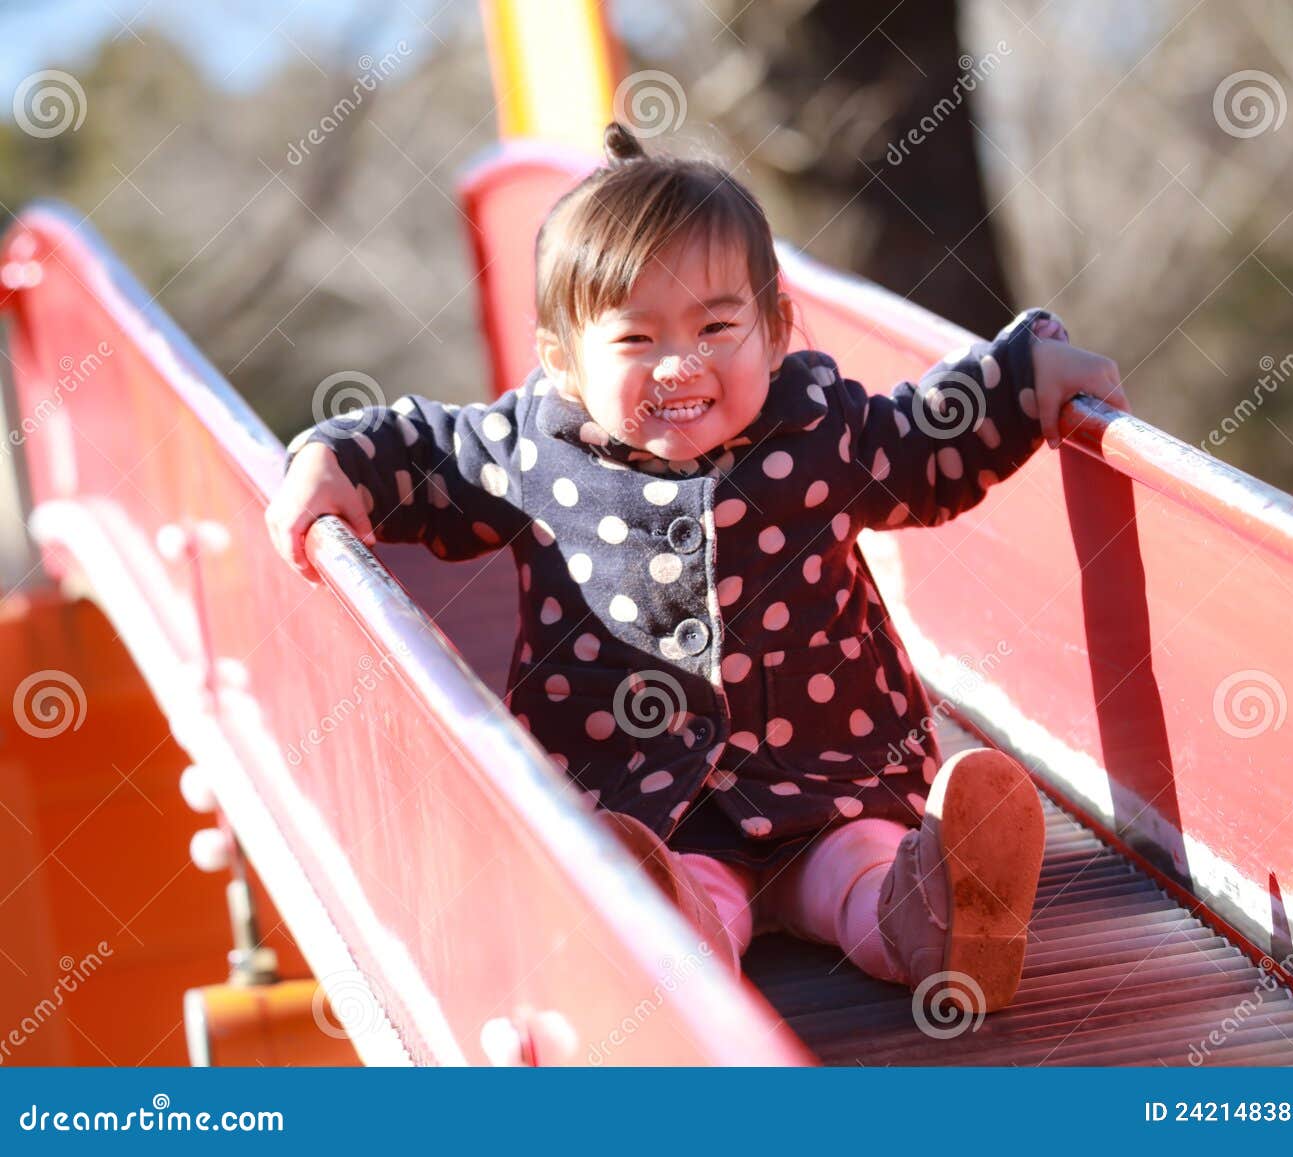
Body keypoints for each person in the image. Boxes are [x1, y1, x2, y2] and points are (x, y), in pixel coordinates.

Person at [265, 120, 1128, 1015]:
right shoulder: (527, 452)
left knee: (861, 867)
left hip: (830, 777)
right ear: (562, 360)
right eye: (636, 341)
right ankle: (665, 943)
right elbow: (418, 451)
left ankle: (933, 917)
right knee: (684, 892)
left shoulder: (821, 426)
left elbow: (929, 437)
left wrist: (1025, 377)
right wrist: (334, 459)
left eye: (718, 325)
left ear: (777, 328)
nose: (682, 363)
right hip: (647, 796)